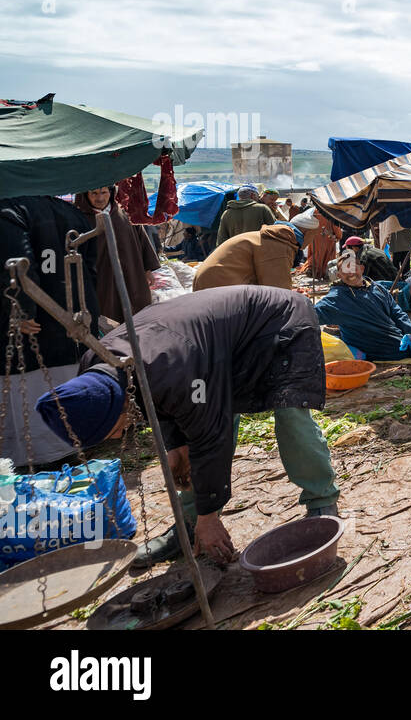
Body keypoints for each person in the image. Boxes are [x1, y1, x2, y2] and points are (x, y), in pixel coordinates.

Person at [36, 285, 339, 567]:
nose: (118, 436)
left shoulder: (173, 368)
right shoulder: (96, 366)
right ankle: (189, 523)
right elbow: (157, 401)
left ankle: (321, 501)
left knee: (290, 415)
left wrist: (211, 513)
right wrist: (173, 446)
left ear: (119, 405)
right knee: (191, 444)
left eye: (114, 430)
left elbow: (209, 433)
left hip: (279, 322)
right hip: (214, 345)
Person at [0, 196, 100, 467]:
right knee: (65, 404)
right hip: (71, 324)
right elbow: (90, 270)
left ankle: (44, 467)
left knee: (34, 409)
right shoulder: (71, 212)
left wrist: (22, 310)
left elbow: (18, 263)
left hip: (33, 334)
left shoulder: (9, 211)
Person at [74, 185, 160, 324]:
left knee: (136, 310)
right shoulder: (79, 220)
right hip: (101, 278)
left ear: (111, 192)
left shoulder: (124, 213)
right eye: (94, 193)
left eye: (103, 192)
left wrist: (148, 270)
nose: (100, 198)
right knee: (107, 315)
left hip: (131, 273)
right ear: (86, 195)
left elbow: (142, 240)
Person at [313, 249, 411, 362]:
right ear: (339, 275)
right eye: (345, 270)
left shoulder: (378, 288)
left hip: (394, 342)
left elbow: (396, 312)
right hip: (372, 349)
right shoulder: (336, 298)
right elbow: (311, 314)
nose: (351, 273)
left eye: (353, 268)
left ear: (362, 269)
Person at [195, 209, 320, 291]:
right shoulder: (278, 244)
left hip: (212, 285)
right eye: (314, 236)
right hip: (218, 288)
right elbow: (278, 290)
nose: (312, 241)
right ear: (307, 233)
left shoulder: (275, 238)